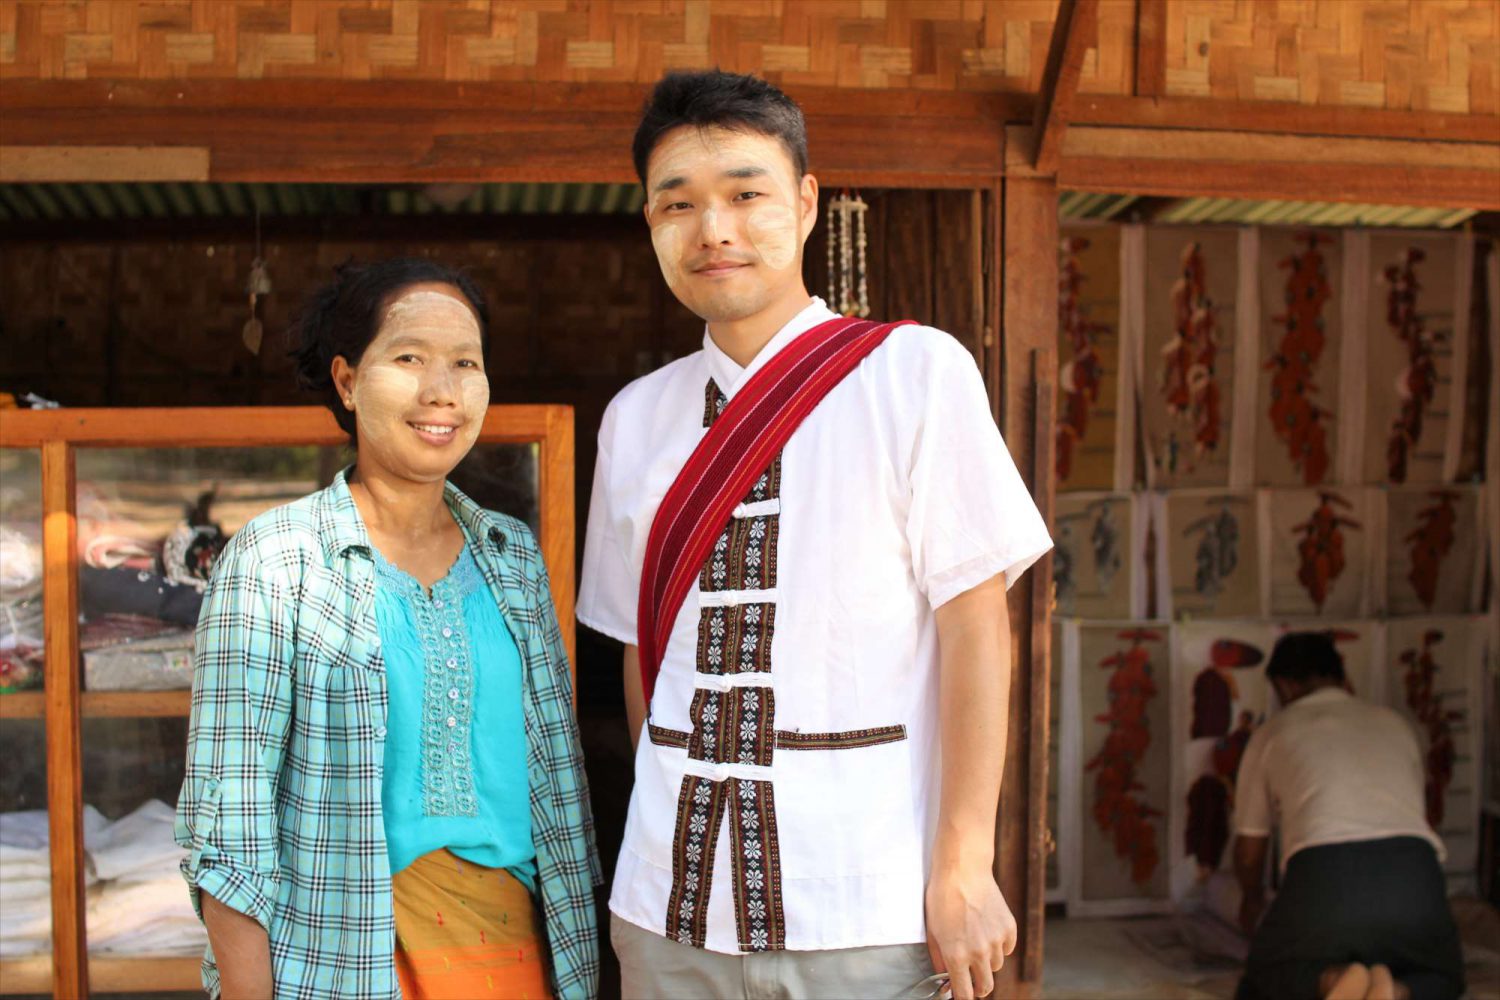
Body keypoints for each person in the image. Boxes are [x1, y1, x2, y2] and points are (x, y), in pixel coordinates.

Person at [577, 70, 1052, 1000]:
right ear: (650, 224)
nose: (712, 229)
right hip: (666, 915)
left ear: (803, 204)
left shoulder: (915, 374)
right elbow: (644, 659)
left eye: (745, 195)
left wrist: (963, 859)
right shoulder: (635, 418)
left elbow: (976, 630)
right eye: (678, 205)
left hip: (866, 900)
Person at [175, 259, 601, 999]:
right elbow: (229, 825)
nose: (443, 390)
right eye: (410, 358)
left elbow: (562, 803)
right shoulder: (276, 560)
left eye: (465, 363)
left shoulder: (512, 558)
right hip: (347, 966)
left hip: (516, 962)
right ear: (346, 381)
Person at [1232, 632, 1464, 1000]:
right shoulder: (1395, 723)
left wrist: (1252, 899)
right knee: (1443, 976)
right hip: (1415, 877)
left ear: (1285, 685)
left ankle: (1333, 980)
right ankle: (1398, 992)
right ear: (1341, 676)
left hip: (1326, 881)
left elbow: (1249, 852)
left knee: (1268, 973)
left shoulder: (1273, 732)